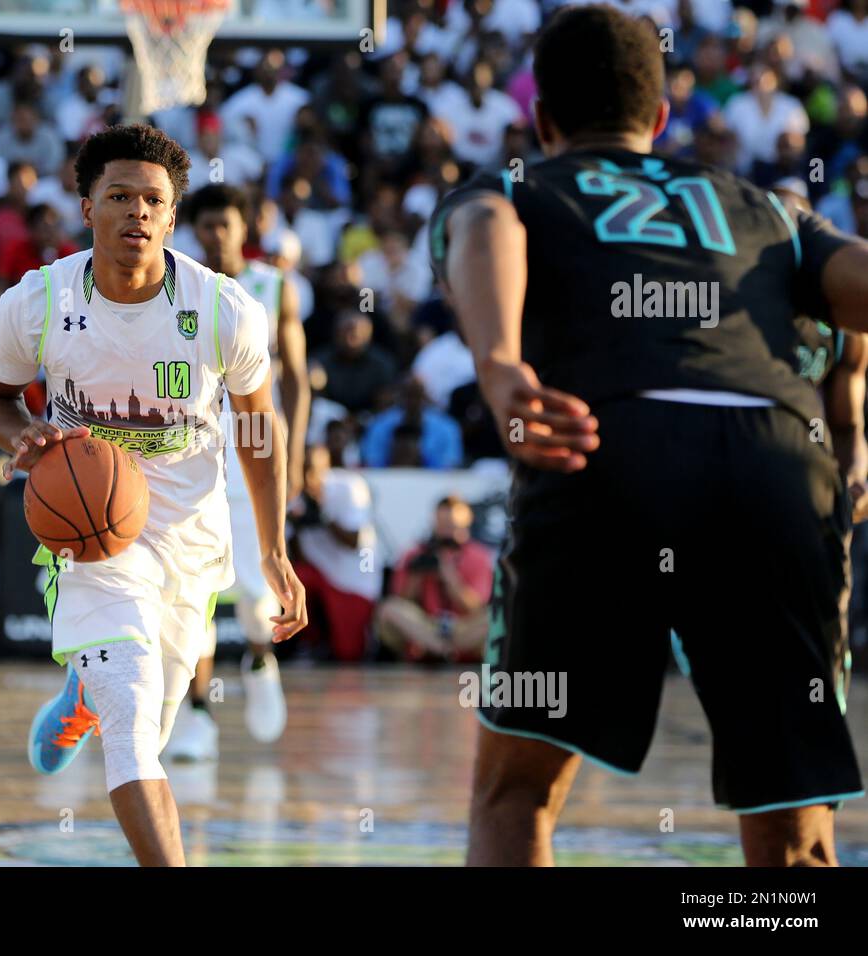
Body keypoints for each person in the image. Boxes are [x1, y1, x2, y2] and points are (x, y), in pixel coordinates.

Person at [431, 5, 867, 867]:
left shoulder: (521, 182)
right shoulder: (766, 208)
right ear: (663, 119)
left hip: (603, 447)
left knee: (517, 791)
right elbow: (855, 284)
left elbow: (487, 227)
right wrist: (849, 436)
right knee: (790, 816)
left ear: (541, 119)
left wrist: (500, 365)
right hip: (773, 462)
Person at [0, 124, 307, 866]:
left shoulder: (223, 310)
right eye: (119, 196)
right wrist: (17, 435)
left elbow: (258, 427)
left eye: (153, 199)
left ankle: (78, 698)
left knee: (146, 722)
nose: (137, 213)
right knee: (129, 728)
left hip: (188, 535)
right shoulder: (39, 302)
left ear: (172, 215)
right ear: (87, 206)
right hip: (91, 538)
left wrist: (275, 548)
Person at [165, 183, 311, 761]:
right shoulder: (173, 289)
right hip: (192, 450)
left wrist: (293, 454)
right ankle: (197, 711)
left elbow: (295, 378)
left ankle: (258, 657)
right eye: (204, 227)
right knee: (194, 588)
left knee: (256, 591)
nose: (215, 236)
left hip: (253, 443)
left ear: (244, 228)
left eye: (224, 225)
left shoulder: (274, 287)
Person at [289, 444, 382, 662]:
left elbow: (353, 541)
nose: (308, 479)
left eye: (313, 470)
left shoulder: (349, 486)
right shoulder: (292, 491)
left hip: (353, 580)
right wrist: (297, 525)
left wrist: (323, 517)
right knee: (293, 578)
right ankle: (306, 641)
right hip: (319, 574)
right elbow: (293, 556)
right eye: (302, 471)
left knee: (348, 653)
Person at [375, 495, 495, 662]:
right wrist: (415, 578)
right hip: (426, 626)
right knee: (388, 609)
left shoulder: (479, 556)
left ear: (466, 523)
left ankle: (441, 650)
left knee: (494, 616)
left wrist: (451, 579)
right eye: (442, 524)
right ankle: (441, 650)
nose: (446, 531)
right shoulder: (415, 553)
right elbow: (400, 601)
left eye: (451, 525)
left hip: (463, 627)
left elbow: (476, 607)